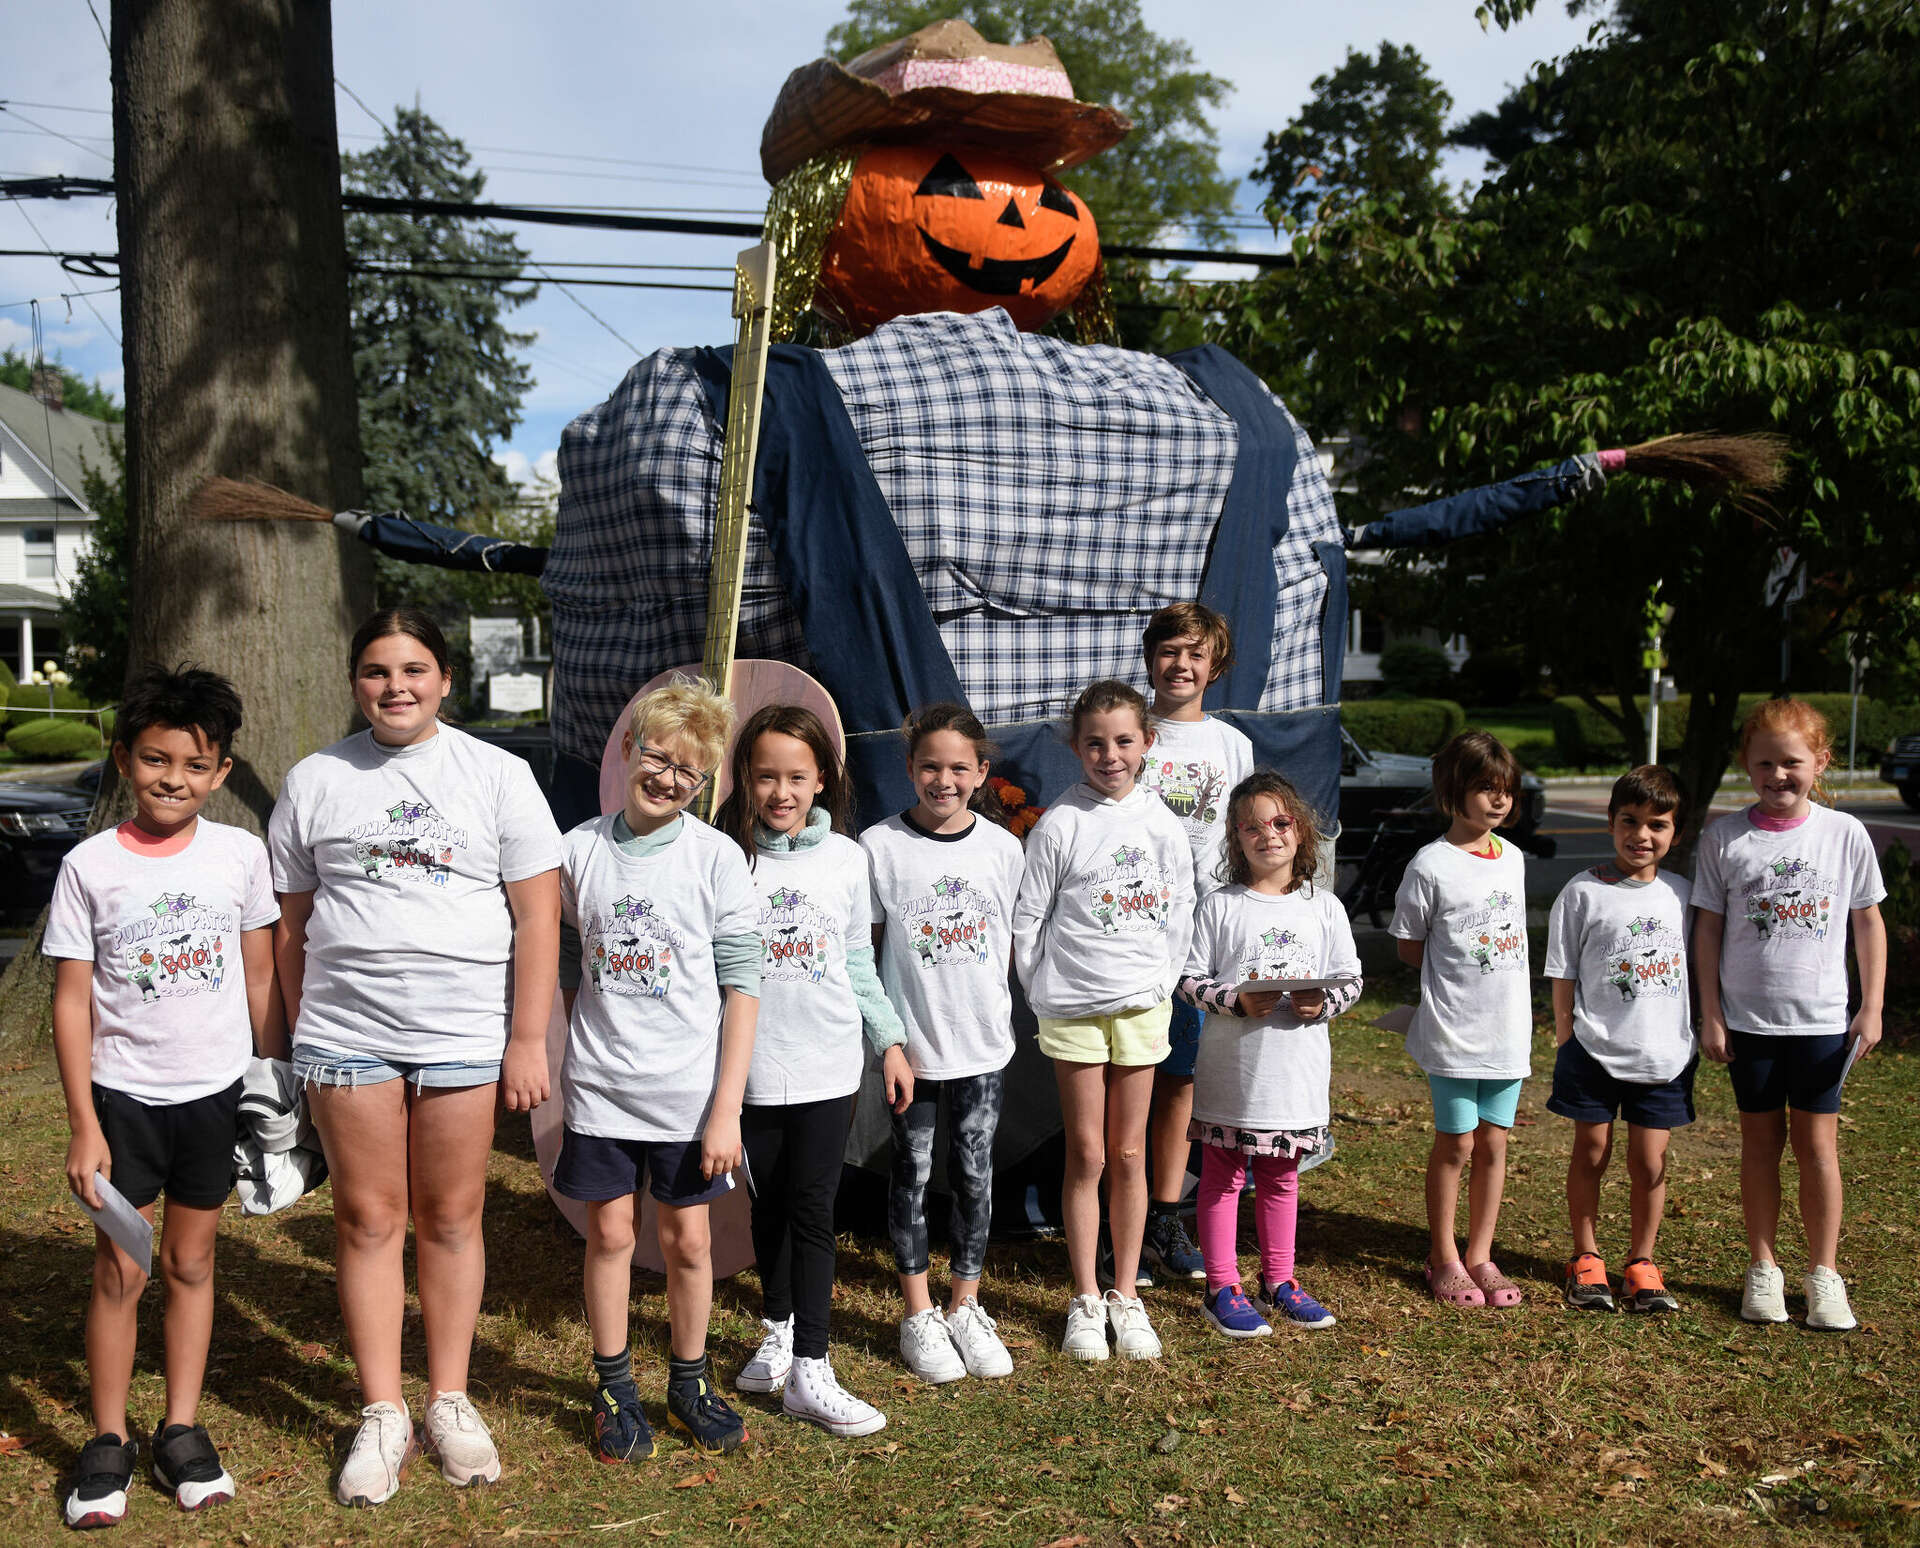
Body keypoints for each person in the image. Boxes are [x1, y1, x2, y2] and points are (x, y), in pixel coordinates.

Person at [269, 609, 561, 1505]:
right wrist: (288, 1042)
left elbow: (538, 918)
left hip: (463, 1034)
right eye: (375, 671)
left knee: (453, 1216)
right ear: (355, 683)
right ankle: (382, 1410)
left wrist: (526, 1038)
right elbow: (289, 927)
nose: (395, 686)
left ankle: (448, 1398)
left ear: (444, 680)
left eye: (413, 669)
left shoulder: (499, 774)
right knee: (366, 1219)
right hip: (345, 1034)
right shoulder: (316, 778)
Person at [49, 667, 280, 1528]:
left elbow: (261, 978)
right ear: (123, 760)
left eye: (193, 764)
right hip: (123, 1102)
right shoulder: (89, 866)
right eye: (154, 759)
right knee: (124, 1268)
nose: (172, 779)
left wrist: (274, 1083)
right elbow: (71, 1001)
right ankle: (109, 1439)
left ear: (221, 773)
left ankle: (180, 1428)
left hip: (213, 1098)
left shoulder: (240, 855)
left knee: (191, 1263)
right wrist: (84, 1125)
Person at [554, 678, 760, 1462]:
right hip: (602, 1089)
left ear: (705, 783)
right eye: (658, 758)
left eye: (689, 772)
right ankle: (614, 1387)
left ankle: (689, 1382)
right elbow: (567, 956)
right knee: (610, 1232)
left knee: (688, 1241)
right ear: (628, 748)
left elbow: (744, 987)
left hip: (689, 1095)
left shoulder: (716, 859)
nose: (669, 779)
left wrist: (726, 1109)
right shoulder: (577, 851)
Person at [712, 705, 910, 1436]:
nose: (781, 791)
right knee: (767, 1205)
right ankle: (777, 1327)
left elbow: (857, 959)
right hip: (753, 1067)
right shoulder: (725, 858)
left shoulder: (848, 861)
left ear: (822, 778)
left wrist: (889, 1041)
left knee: (814, 1211)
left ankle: (813, 1368)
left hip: (829, 1065)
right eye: (766, 776)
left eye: (797, 776)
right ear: (745, 778)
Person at [1014, 680, 1195, 1361]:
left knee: (1128, 1154)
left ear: (1147, 742)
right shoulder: (1060, 824)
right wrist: (1045, 991)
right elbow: (1029, 918)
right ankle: (1086, 1297)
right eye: (1095, 743)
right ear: (1075, 747)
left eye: (1123, 741)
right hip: (1074, 1012)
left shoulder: (1162, 823)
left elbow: (1181, 909)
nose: (1110, 755)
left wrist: (1160, 982)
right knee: (1087, 1154)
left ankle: (1127, 1294)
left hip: (1142, 1008)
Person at [1694, 699, 1886, 1331]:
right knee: (1760, 1145)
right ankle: (1763, 1269)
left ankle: (1824, 1275)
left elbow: (1867, 922)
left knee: (1817, 1148)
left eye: (1793, 762)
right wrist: (1711, 1012)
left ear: (1820, 762)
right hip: (1748, 1024)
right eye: (1764, 763)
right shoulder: (1724, 838)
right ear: (1746, 765)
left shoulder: (1844, 834)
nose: (1778, 775)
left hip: (1822, 1024)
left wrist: (1871, 1006)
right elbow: (1708, 931)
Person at [861, 704, 1024, 1385]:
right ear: (909, 768)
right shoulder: (878, 846)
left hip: (982, 1047)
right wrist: (888, 1044)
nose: (944, 779)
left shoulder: (1004, 849)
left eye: (959, 767)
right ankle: (918, 1313)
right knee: (914, 1173)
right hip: (913, 1054)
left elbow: (1009, 944)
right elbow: (865, 953)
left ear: (982, 772)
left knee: (976, 1174)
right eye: (930, 765)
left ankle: (965, 1305)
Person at [1179, 772, 1360, 1338]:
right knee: (1222, 1177)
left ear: (1301, 830)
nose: (1269, 836)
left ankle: (1279, 1281)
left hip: (1295, 1074)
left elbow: (1351, 979)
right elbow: (1187, 979)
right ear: (1235, 838)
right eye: (1252, 827)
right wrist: (1235, 1001)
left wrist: (1322, 1003)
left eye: (1280, 823)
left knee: (1282, 1178)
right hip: (1232, 1072)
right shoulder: (1219, 906)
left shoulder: (1324, 907)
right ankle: (1221, 1287)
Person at [1543, 766, 1695, 1314]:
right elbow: (1562, 969)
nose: (1641, 835)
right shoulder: (1582, 891)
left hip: (1664, 1054)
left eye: (1657, 825)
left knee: (1649, 1162)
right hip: (1593, 1051)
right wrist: (1566, 1033)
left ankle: (1642, 1262)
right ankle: (1585, 1257)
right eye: (1630, 821)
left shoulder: (1683, 895)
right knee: (1592, 1151)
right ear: (1610, 822)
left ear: (1675, 831)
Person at [1389, 730, 1531, 1309]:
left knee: (1494, 1143)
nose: (1499, 800)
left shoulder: (1513, 858)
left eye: (1506, 789)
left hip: (1508, 1032)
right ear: (1453, 791)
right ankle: (1443, 1255)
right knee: (1457, 1145)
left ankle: (1480, 1255)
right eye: (1485, 788)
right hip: (1451, 1033)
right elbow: (1409, 946)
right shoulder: (1430, 865)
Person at [1134, 603, 1252, 1287]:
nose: (1181, 665)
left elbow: (1242, 838)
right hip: (1131, 935)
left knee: (1180, 1082)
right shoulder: (1130, 732)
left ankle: (1163, 1215)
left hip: (1199, 943)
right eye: (1169, 651)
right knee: (1126, 1084)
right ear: (1151, 658)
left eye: (1195, 653)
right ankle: (1116, 1224)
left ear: (1216, 666)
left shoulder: (1231, 745)